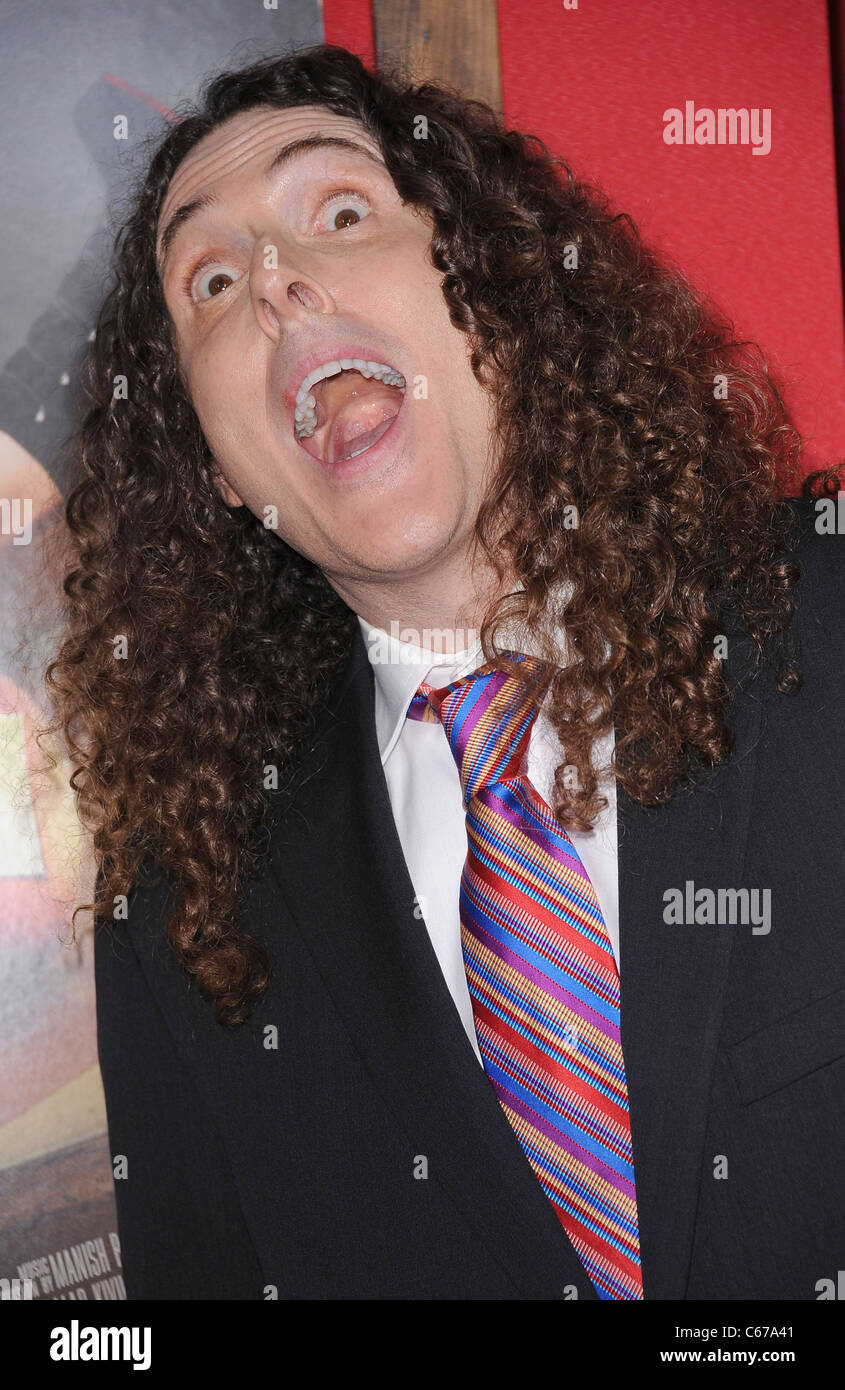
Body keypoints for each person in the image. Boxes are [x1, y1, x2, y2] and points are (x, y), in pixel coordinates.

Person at [44, 42, 844, 1301]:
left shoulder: (824, 627)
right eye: (208, 278)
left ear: (499, 281)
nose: (274, 283)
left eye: (341, 211)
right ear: (214, 469)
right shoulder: (184, 920)